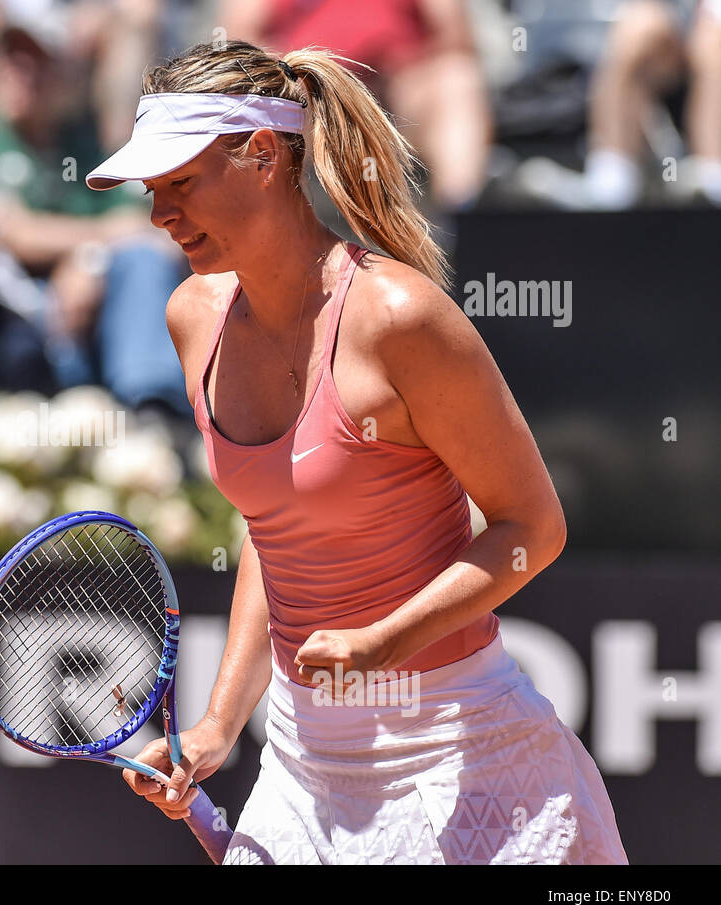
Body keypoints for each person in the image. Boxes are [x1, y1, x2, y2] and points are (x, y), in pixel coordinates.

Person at [93, 40, 628, 863]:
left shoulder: (398, 316)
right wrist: (215, 729)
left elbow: (533, 527)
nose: (161, 213)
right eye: (153, 189)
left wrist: (384, 642)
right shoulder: (192, 317)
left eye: (182, 182)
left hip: (469, 759)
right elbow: (274, 528)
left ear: (263, 155)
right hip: (303, 766)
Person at [0, 23, 190, 416]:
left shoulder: (82, 141)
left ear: (61, 72)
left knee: (144, 262)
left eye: (36, 62)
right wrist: (96, 242)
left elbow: (153, 228)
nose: (21, 74)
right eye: (9, 60)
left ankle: (153, 411)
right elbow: (8, 231)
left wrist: (90, 261)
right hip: (7, 298)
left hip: (94, 298)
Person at [222, 0, 493, 210]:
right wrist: (308, 70)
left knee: (457, 80)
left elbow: (457, 39)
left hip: (400, 87)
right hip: (308, 87)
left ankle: (462, 220)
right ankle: (265, 232)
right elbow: (240, 44)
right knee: (268, 94)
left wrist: (400, 60)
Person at [516, 0, 721, 209]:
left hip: (699, 25)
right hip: (653, 30)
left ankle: (713, 179)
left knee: (714, 33)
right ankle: (612, 186)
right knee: (639, 27)